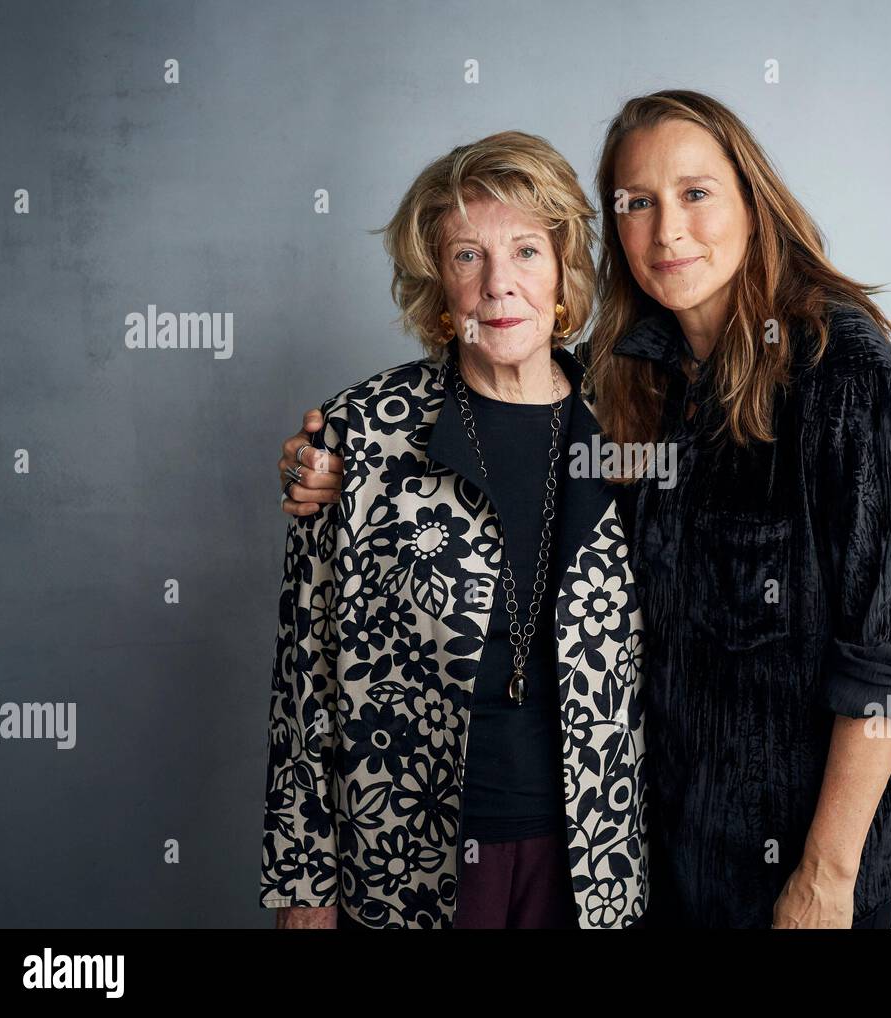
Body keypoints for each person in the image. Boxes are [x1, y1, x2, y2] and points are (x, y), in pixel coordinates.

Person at [278, 90, 891, 929]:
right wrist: (328, 466)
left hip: (801, 862)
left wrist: (823, 876)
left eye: (696, 193)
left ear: (753, 199)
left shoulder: (840, 376)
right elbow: (309, 679)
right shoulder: (636, 383)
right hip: (654, 857)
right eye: (636, 203)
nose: (667, 231)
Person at [262, 131, 649, 930]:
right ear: (440, 285)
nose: (500, 285)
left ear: (565, 274)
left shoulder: (632, 428)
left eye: (528, 253)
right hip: (406, 854)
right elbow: (305, 679)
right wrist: (304, 886)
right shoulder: (361, 435)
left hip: (597, 854)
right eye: (469, 256)